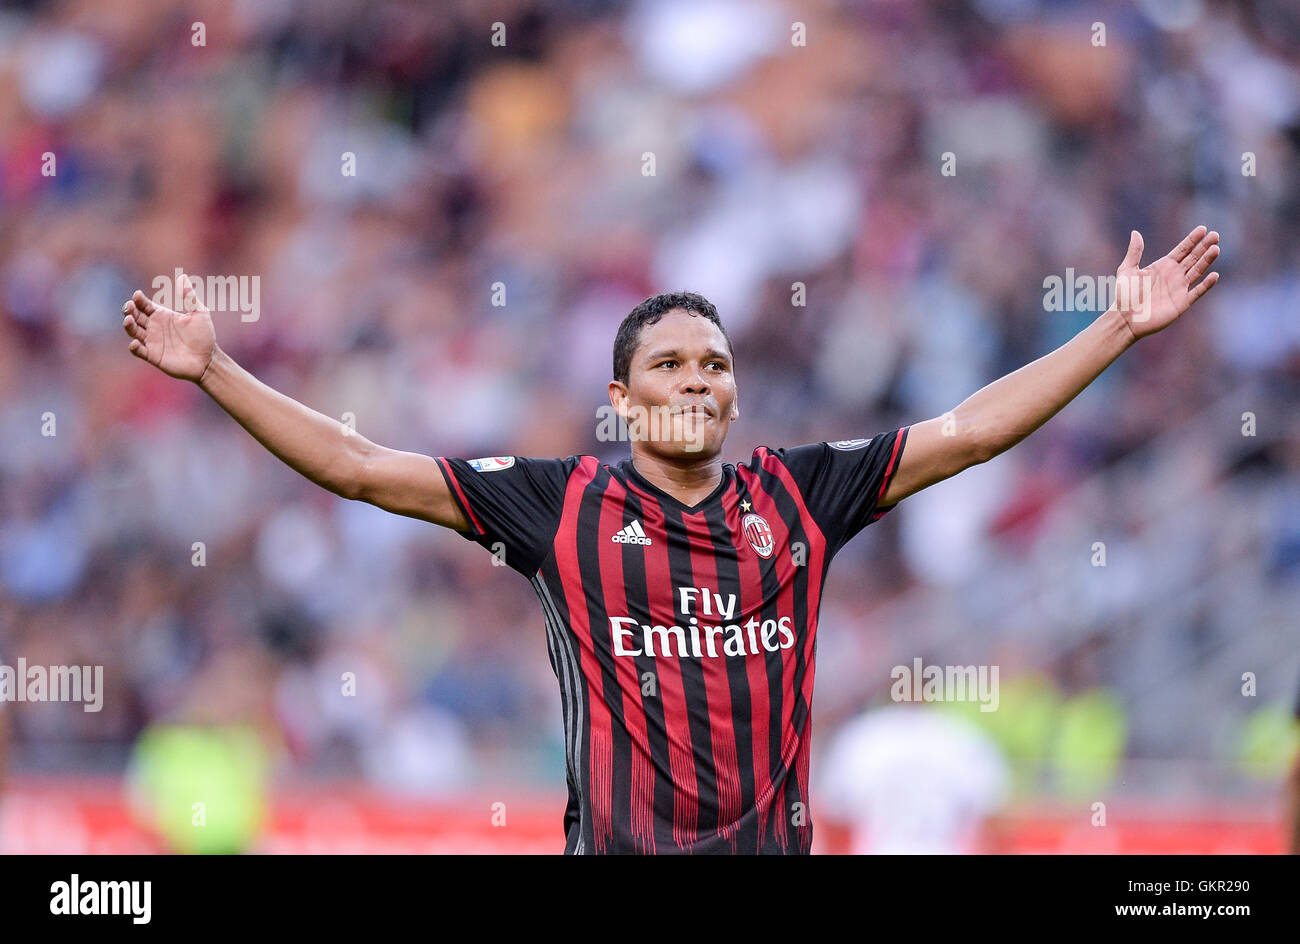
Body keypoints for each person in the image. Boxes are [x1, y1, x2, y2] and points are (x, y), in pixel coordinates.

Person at [120, 227, 1221, 854]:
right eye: (670, 364)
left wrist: (1113, 325)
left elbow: (973, 430)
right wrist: (217, 369)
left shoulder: (801, 493)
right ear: (621, 397)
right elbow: (360, 468)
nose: (698, 377)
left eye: (714, 364)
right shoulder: (555, 505)